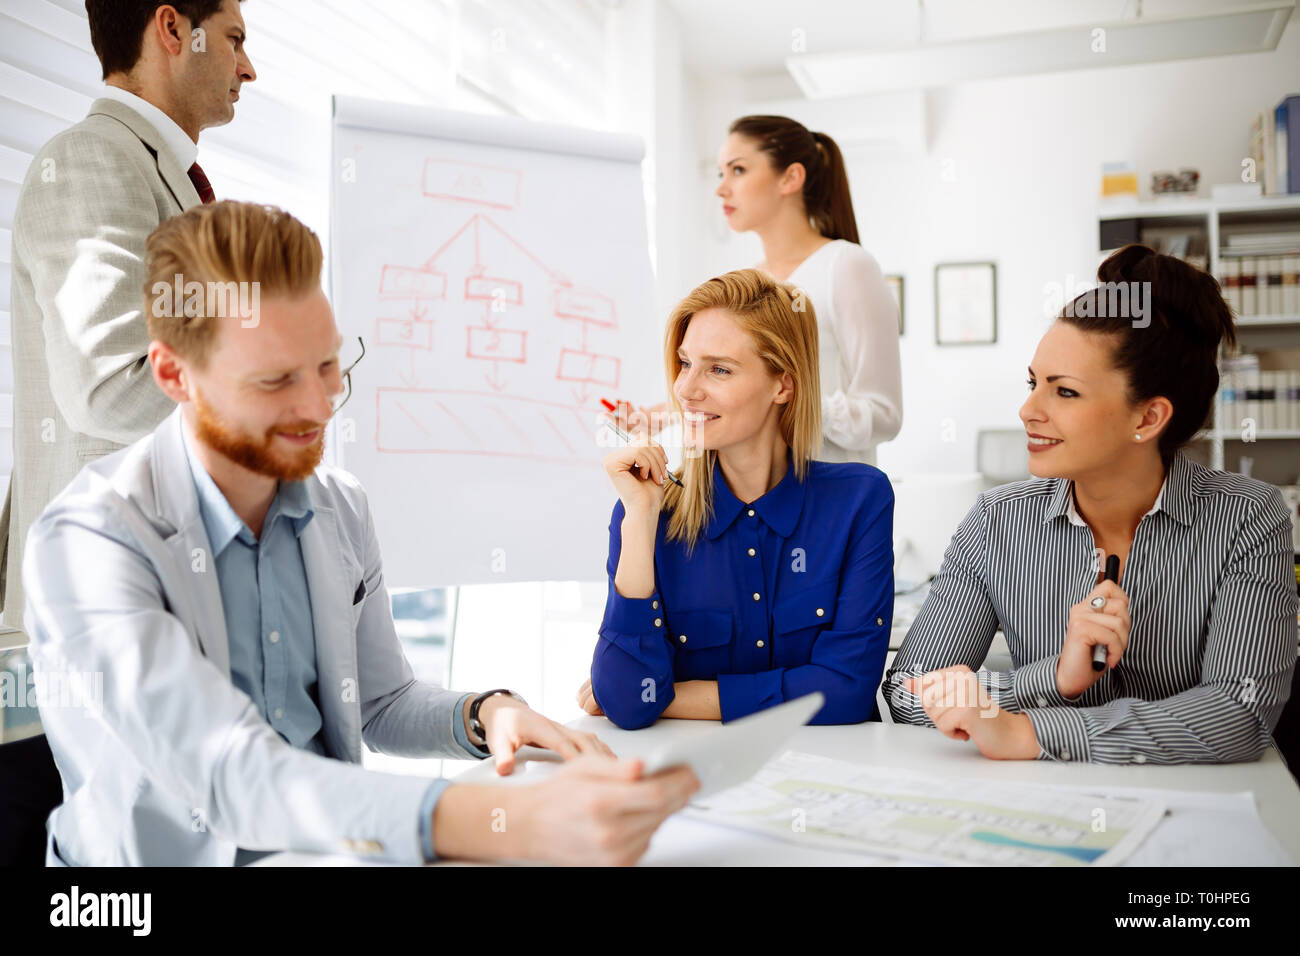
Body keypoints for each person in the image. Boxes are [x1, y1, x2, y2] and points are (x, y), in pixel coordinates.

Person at [24, 200, 698, 866]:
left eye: (327, 366)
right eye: (277, 380)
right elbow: (225, 772)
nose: (318, 407)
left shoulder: (337, 506)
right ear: (174, 374)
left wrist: (485, 713)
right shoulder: (90, 541)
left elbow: (381, 702)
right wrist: (495, 822)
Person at [0, 0, 255, 865]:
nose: (247, 68)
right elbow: (110, 389)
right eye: (235, 39)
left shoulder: (166, 180)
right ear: (170, 28)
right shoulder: (89, 163)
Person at [884, 245, 1298, 764]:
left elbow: (1239, 713)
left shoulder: (1247, 518)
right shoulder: (997, 522)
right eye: (1034, 383)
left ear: (1147, 419)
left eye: (1065, 393)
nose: (1027, 409)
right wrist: (1057, 677)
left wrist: (1031, 733)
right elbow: (909, 692)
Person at [577, 269, 894, 729]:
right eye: (685, 363)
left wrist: (669, 695)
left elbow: (846, 691)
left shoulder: (859, 500)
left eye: (719, 369)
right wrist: (640, 520)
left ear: (782, 385)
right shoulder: (648, 508)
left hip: (830, 780)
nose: (685, 389)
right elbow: (627, 703)